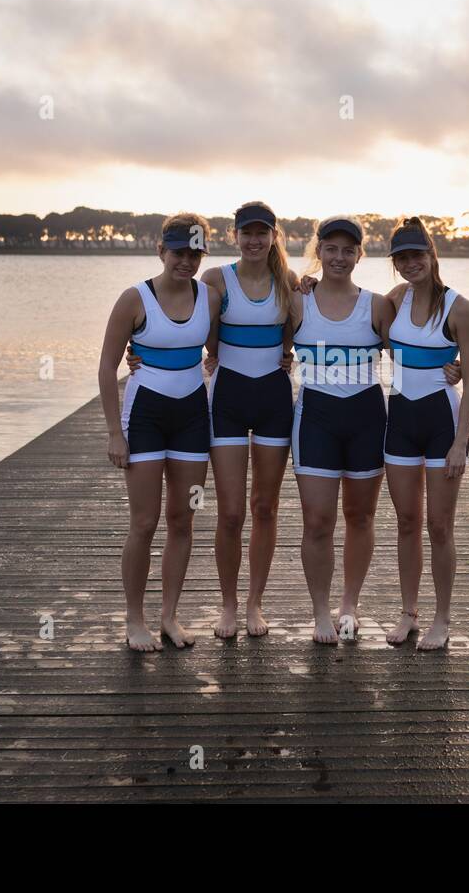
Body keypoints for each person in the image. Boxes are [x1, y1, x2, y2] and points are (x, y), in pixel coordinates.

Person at [131, 202, 299, 638]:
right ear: (235, 235)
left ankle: (254, 606)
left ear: (274, 235)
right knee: (229, 513)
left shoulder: (290, 282)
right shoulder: (213, 281)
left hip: (274, 401)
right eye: (247, 232)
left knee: (265, 507)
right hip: (225, 400)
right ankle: (228, 605)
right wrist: (140, 354)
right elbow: (189, 332)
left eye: (263, 232)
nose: (254, 240)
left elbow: (306, 333)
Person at [97, 213, 221, 651]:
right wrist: (115, 433)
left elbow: (223, 348)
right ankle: (135, 619)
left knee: (183, 519)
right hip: (145, 419)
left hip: (191, 420)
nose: (186, 261)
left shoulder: (208, 297)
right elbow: (106, 367)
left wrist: (284, 358)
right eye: (178, 252)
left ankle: (169, 616)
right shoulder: (134, 299)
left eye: (194, 254)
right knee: (145, 522)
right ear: (161, 251)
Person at [288, 215, 392, 644]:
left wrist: (453, 367)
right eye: (330, 248)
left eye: (348, 250)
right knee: (317, 521)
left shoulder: (378, 305)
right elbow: (258, 341)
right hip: (315, 416)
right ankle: (320, 612)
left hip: (367, 415)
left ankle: (350, 604)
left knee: (360, 516)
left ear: (359, 255)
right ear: (318, 251)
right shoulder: (298, 301)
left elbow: (414, 344)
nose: (339, 257)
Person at [381, 217, 469, 650]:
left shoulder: (461, 309)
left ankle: (442, 618)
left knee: (439, 526)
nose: (408, 264)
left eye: (416, 255)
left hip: (443, 426)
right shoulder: (394, 300)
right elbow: (348, 319)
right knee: (406, 523)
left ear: (431, 254)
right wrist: (306, 285)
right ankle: (408, 614)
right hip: (400, 421)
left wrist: (460, 442)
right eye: (401, 258)